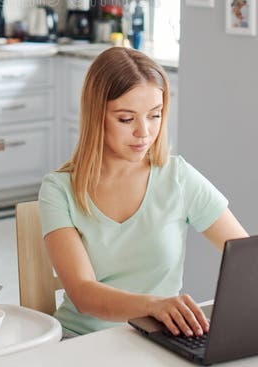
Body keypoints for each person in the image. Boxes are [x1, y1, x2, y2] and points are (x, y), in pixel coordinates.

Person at [39, 47, 247, 337]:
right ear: (96, 115)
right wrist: (155, 306)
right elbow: (83, 293)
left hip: (157, 341)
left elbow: (247, 256)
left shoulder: (178, 177)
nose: (144, 132)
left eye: (154, 115)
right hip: (82, 344)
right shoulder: (58, 190)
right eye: (126, 119)